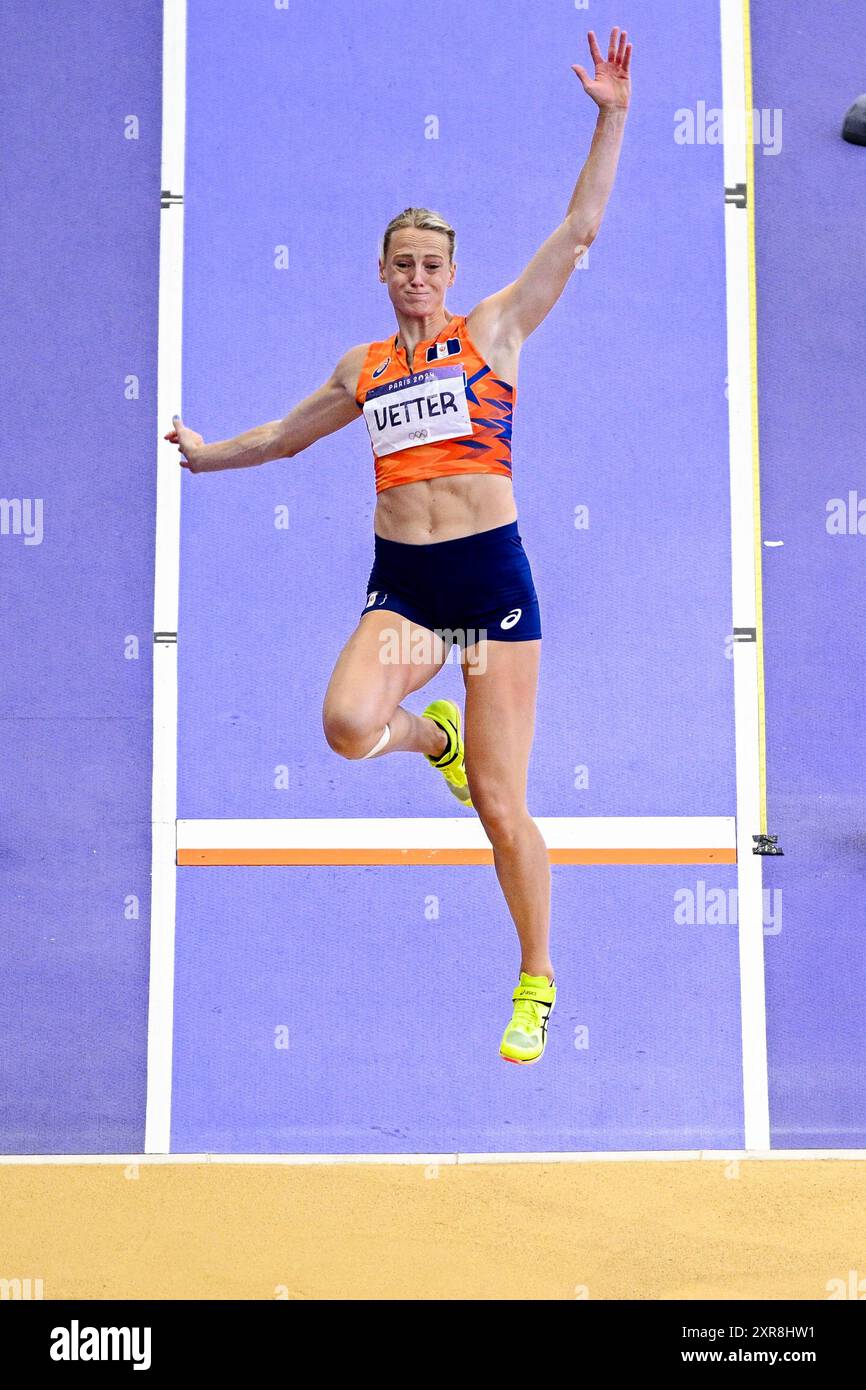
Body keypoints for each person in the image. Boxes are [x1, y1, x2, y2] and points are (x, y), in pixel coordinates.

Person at [165, 28, 632, 1065]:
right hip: (409, 596)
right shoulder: (364, 367)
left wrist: (607, 115)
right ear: (382, 271)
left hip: (493, 592)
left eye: (434, 265)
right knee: (342, 725)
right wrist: (206, 456)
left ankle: (535, 976)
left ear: (452, 273)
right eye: (403, 264)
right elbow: (284, 438)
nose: (419, 277)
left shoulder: (494, 333)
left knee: (505, 810)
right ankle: (435, 743)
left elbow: (581, 225)